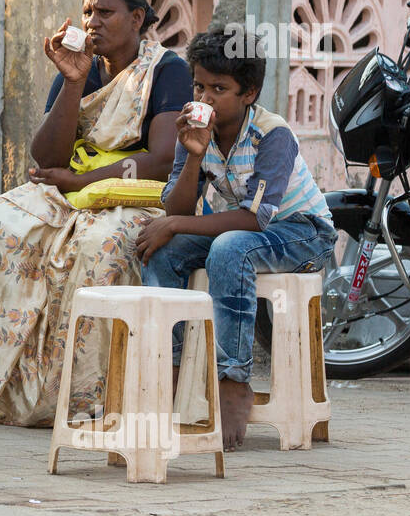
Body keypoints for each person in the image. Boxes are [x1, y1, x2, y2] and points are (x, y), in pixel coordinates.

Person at [0, 0, 192, 426]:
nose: (92, 22)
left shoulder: (167, 71)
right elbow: (46, 154)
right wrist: (70, 82)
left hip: (134, 196)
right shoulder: (80, 67)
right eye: (87, 11)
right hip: (73, 188)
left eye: (105, 12)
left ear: (137, 17)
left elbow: (164, 159)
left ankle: (82, 399)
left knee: (96, 248)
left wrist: (82, 184)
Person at [137, 29, 336, 450]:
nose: (205, 98)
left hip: (302, 231)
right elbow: (177, 209)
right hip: (245, 231)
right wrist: (193, 154)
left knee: (228, 248)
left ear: (249, 93)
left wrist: (174, 224)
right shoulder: (192, 129)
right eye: (198, 86)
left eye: (219, 89)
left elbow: (253, 220)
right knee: (162, 249)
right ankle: (165, 372)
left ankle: (232, 378)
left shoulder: (272, 135)